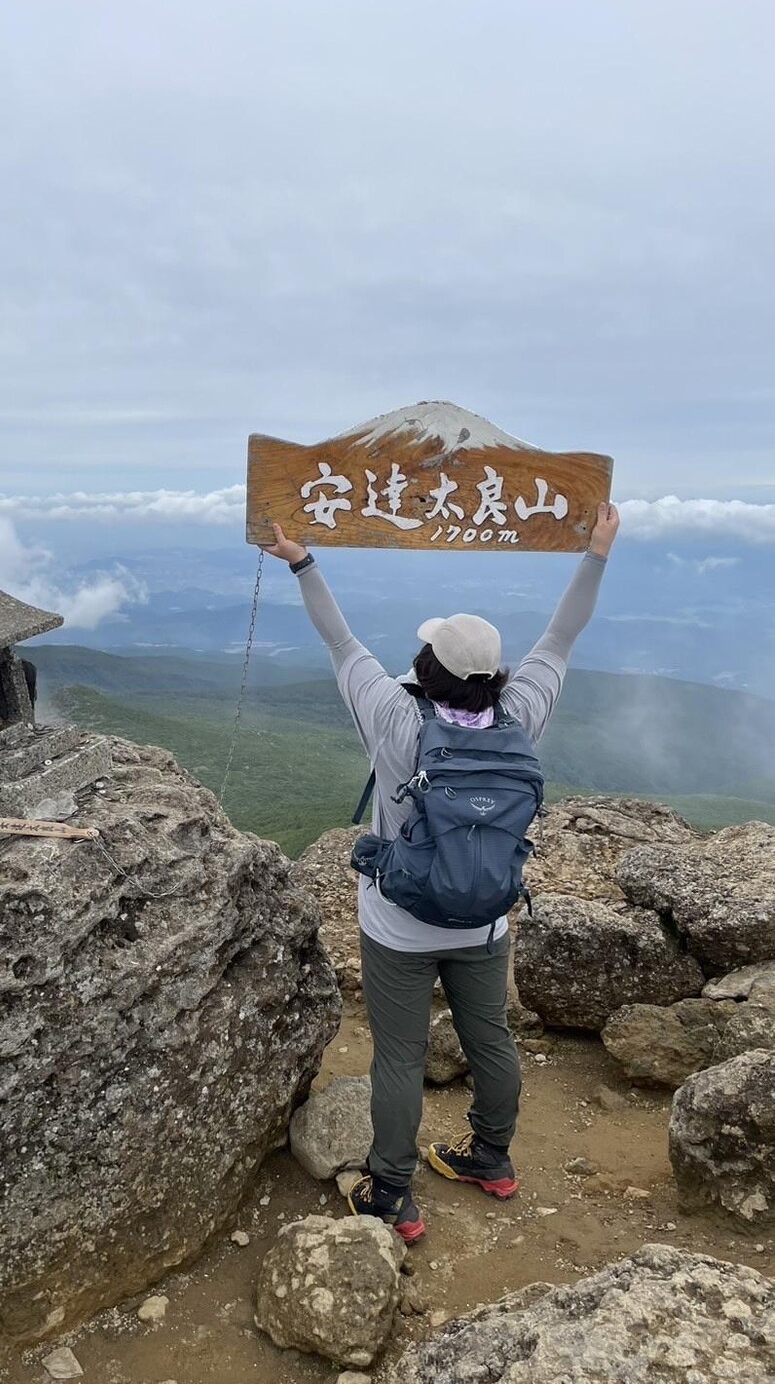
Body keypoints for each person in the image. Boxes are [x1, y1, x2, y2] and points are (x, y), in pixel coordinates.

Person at [265, 503, 620, 1243]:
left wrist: (302, 561)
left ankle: (392, 1193)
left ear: (426, 670)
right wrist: (594, 554)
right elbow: (562, 633)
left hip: (398, 920)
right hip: (485, 916)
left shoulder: (396, 720)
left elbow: (340, 641)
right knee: (488, 1036)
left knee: (400, 1054)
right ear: (494, 675)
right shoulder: (521, 711)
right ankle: (490, 1157)